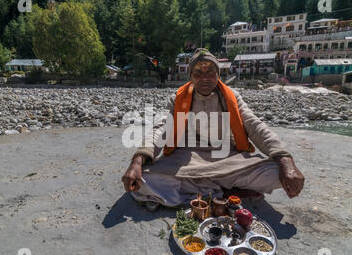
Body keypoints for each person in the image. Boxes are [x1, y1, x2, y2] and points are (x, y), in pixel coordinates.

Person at [122, 48, 305, 211]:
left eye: (210, 72)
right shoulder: (177, 99)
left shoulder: (232, 97)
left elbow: (255, 125)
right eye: (198, 73)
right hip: (188, 160)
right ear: (190, 77)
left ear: (218, 74)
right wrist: (138, 161)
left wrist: (285, 160)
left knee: (275, 173)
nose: (205, 78)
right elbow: (161, 128)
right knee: (143, 178)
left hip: (228, 159)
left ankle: (201, 190)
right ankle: (221, 191)